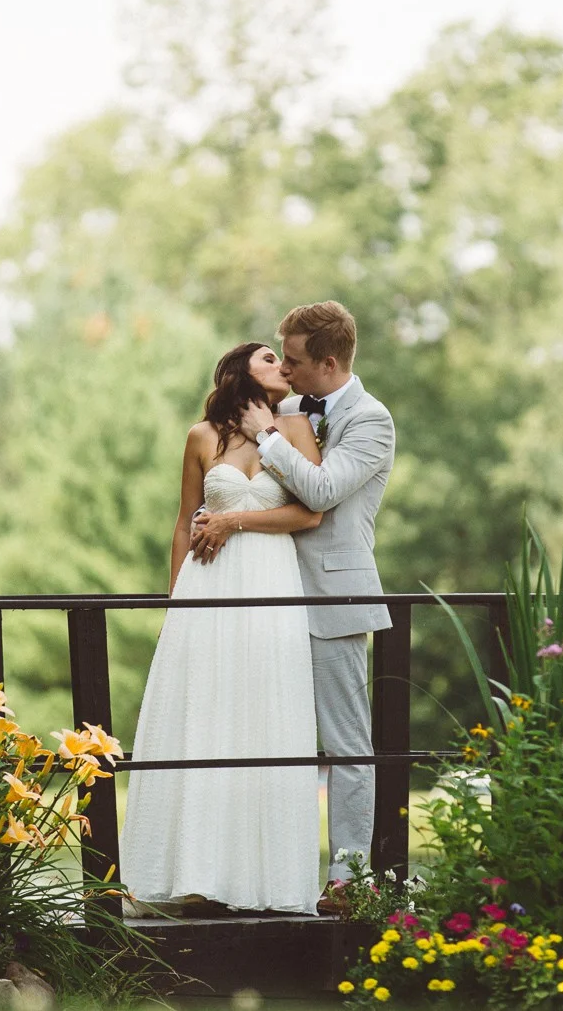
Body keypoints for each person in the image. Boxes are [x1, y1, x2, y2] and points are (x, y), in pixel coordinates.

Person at [196, 301, 396, 907]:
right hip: (262, 596)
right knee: (254, 737)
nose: (285, 366)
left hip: (333, 595)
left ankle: (346, 881)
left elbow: (321, 492)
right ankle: (237, 877)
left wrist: (265, 437)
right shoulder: (282, 409)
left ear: (329, 362)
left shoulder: (371, 420)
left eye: (296, 359)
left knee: (345, 743)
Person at [120, 341, 328, 915]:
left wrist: (234, 520)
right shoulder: (202, 436)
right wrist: (176, 604)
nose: (283, 367)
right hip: (208, 588)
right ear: (239, 372)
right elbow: (185, 523)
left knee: (266, 715)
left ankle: (263, 882)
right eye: (269, 359)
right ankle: (192, 872)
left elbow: (308, 513)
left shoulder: (296, 430)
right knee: (204, 717)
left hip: (271, 585)